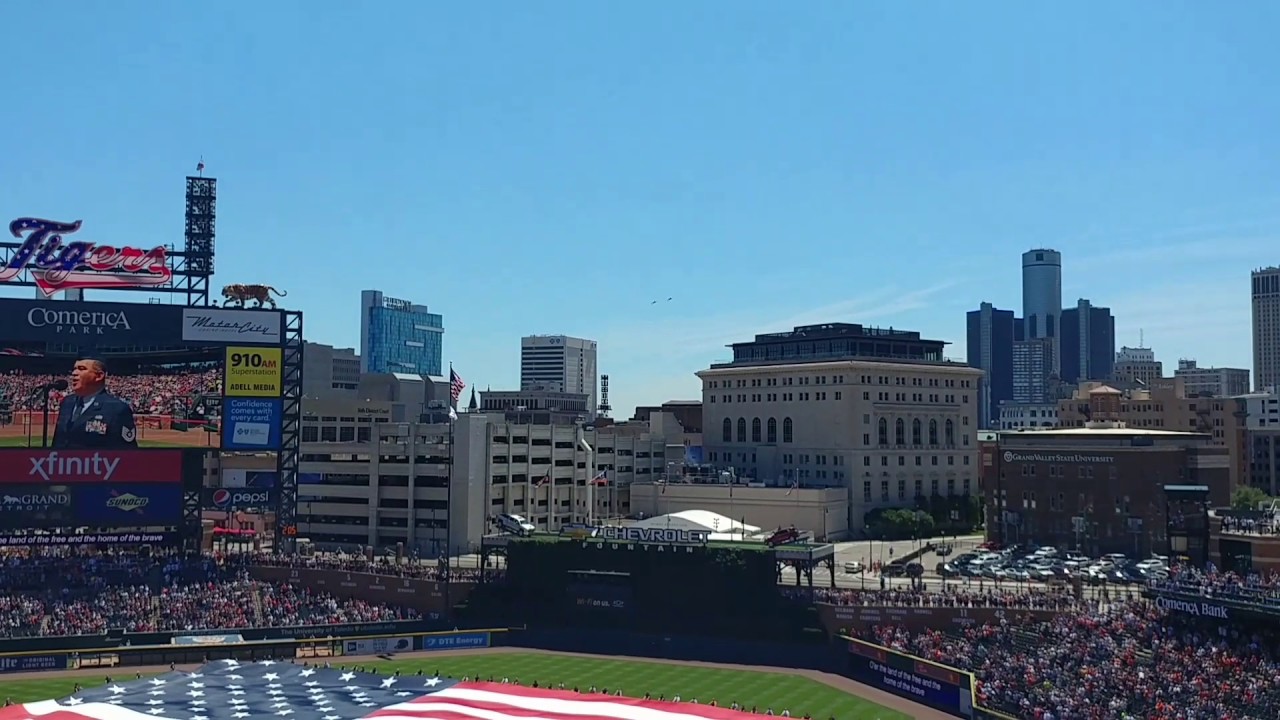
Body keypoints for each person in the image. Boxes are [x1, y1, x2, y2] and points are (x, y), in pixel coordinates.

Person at [52, 358, 137, 449]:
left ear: (99, 376)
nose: (74, 373)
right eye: (74, 369)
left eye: (81, 369)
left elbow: (128, 454)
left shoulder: (116, 408)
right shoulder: (67, 402)